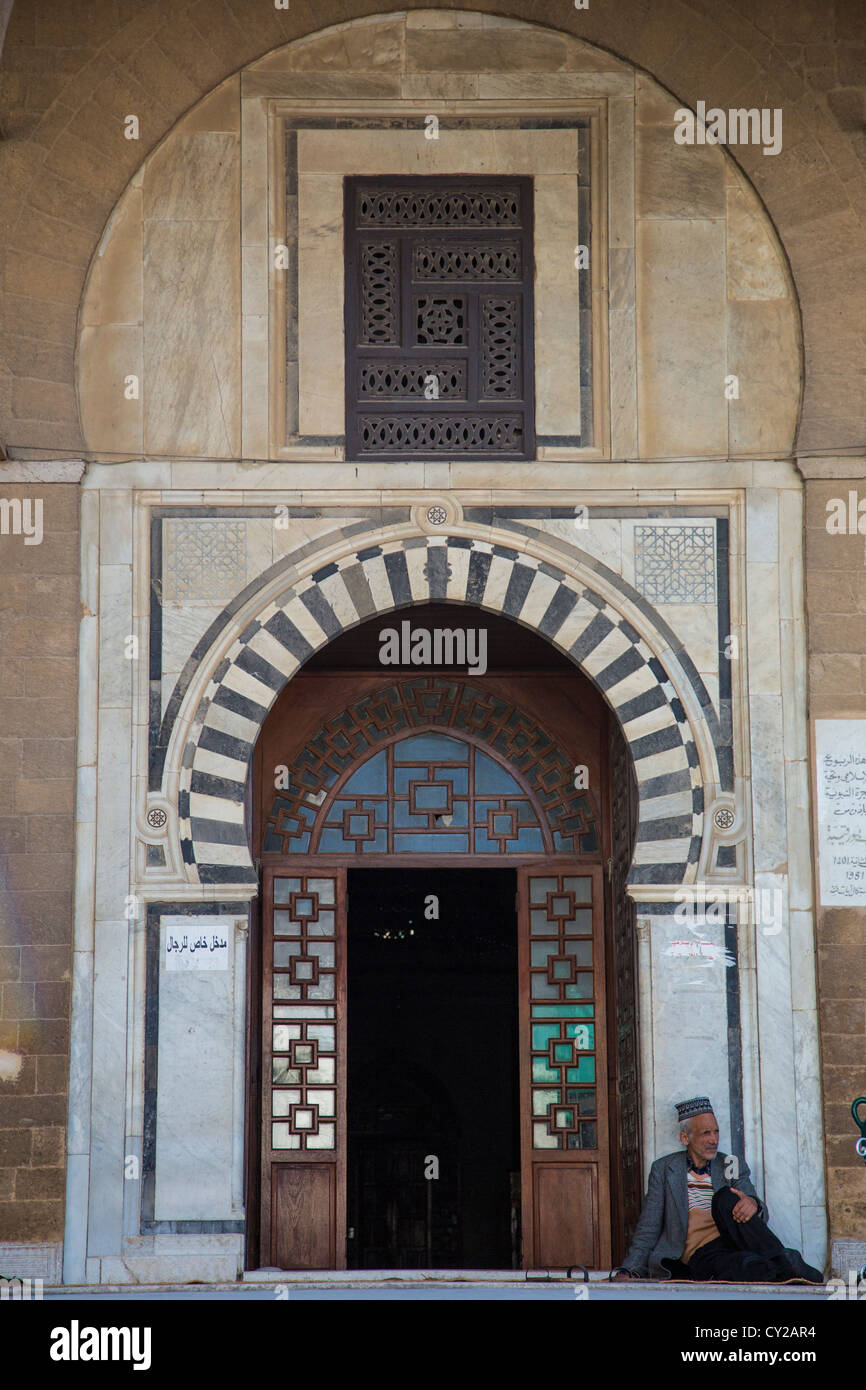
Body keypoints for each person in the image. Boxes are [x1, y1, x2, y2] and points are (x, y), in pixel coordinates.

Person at [613, 1096, 823, 1283]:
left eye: (716, 1132)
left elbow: (758, 1218)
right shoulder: (665, 1169)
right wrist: (631, 1269)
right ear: (685, 1138)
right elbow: (649, 1226)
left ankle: (782, 1259)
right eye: (705, 1133)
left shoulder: (729, 1163)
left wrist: (752, 1203)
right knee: (744, 1264)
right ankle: (785, 1264)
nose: (714, 1140)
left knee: (725, 1198)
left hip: (735, 1240)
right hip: (700, 1253)